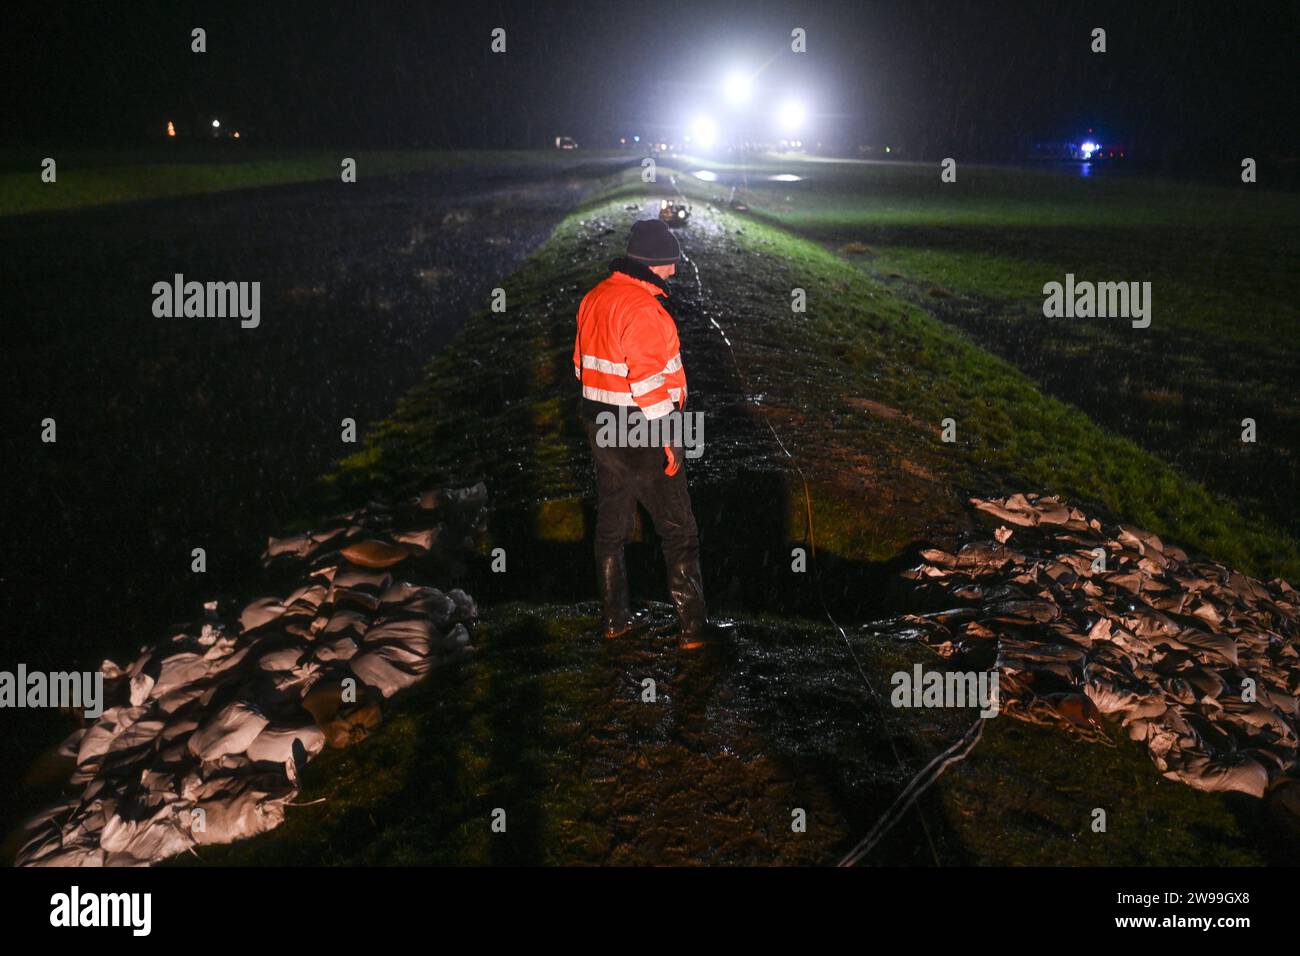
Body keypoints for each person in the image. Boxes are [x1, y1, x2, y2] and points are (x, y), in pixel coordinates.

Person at [573, 219, 730, 649]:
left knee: (610, 529)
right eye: (669, 265)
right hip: (642, 431)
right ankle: (694, 631)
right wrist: (670, 435)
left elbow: (580, 368)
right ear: (651, 264)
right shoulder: (644, 309)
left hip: (602, 427)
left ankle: (616, 618)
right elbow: (647, 383)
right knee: (679, 531)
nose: (674, 273)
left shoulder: (593, 298)